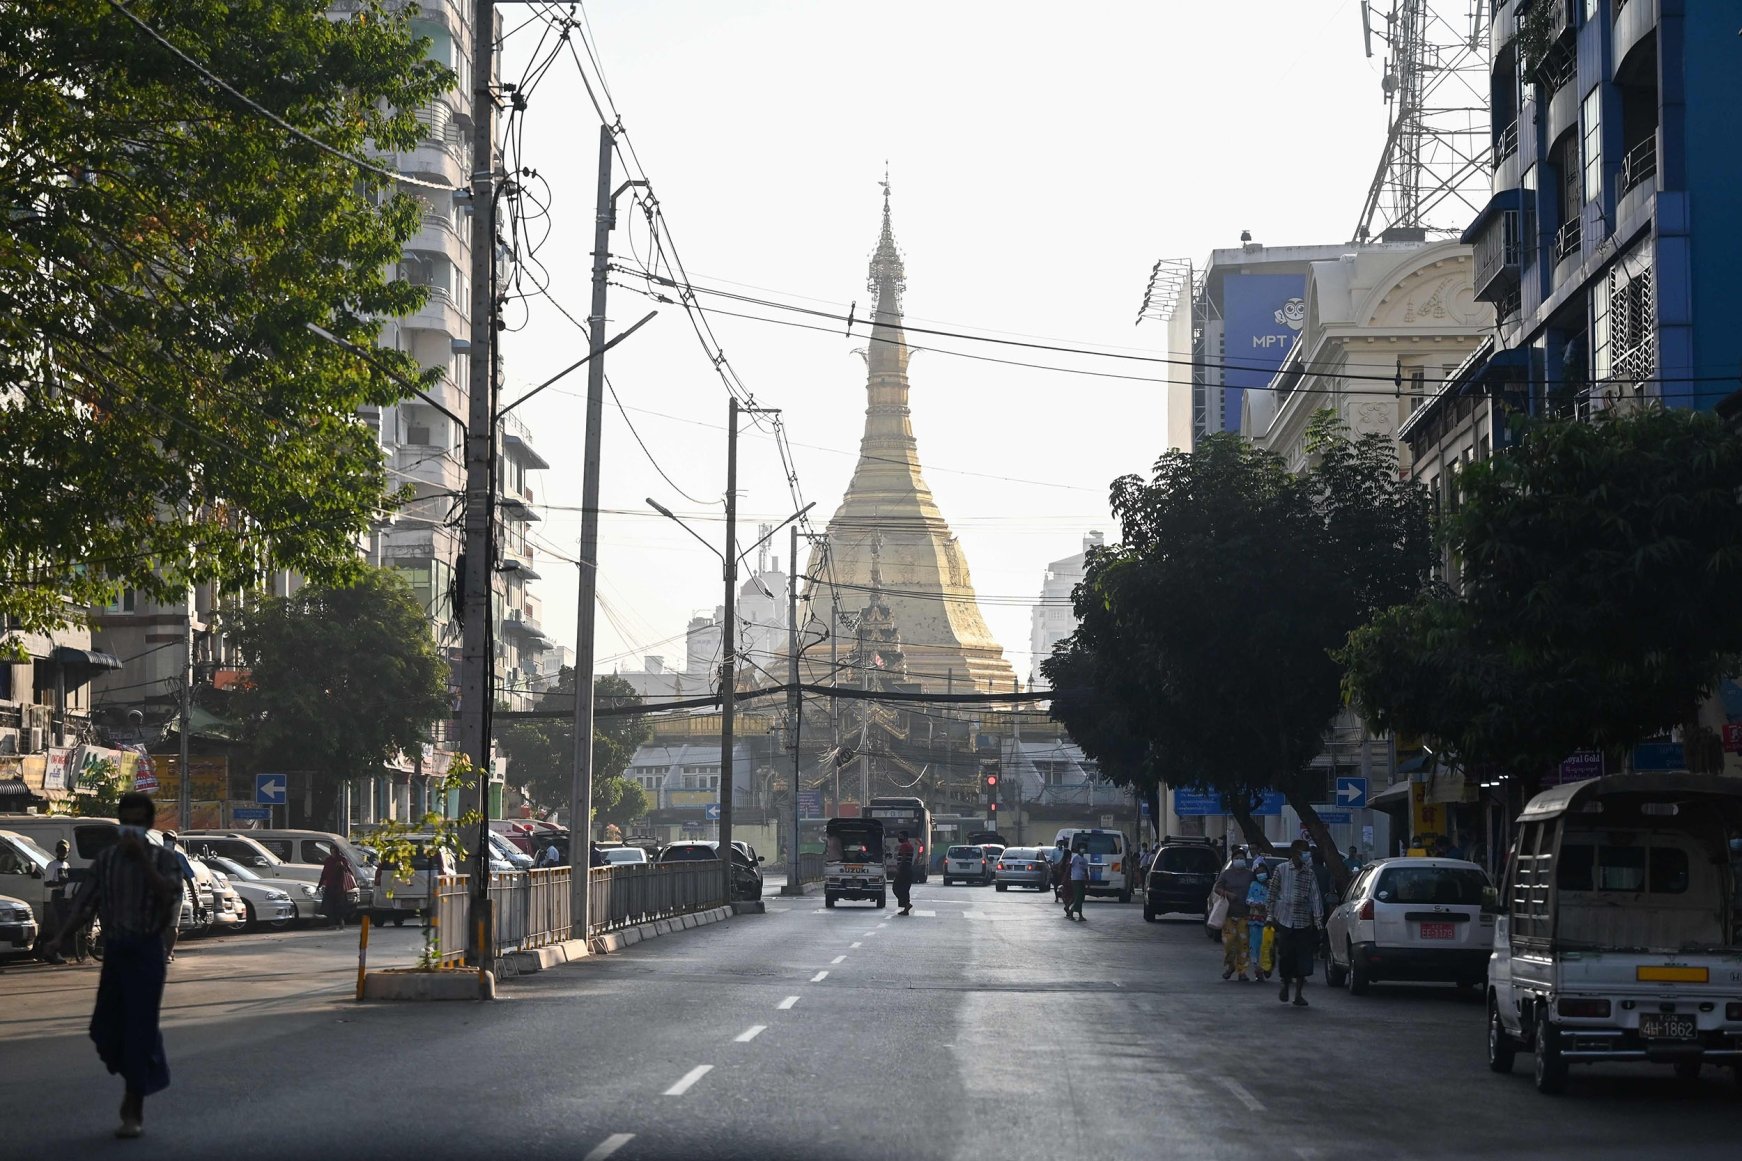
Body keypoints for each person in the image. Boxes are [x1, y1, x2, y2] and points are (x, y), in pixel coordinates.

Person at [55, 792, 182, 1138]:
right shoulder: (106, 860)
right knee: (105, 1028)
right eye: (127, 821)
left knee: (140, 1028)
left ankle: (134, 1103)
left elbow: (168, 896)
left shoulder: (162, 859)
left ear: (149, 824)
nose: (132, 828)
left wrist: (142, 860)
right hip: (115, 953)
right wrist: (61, 937)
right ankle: (136, 1078)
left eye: (139, 822)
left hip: (147, 952)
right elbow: (84, 903)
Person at [1267, 839, 1325, 1007]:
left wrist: (1318, 922)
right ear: (1294, 854)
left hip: (1303, 922)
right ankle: (1285, 984)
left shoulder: (1309, 873)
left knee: (1303, 960)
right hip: (1285, 920)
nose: (1306, 856)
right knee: (1286, 957)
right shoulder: (1281, 870)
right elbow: (1271, 895)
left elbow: (1315, 898)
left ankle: (1298, 994)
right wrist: (1269, 917)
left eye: (1307, 852)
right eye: (1302, 852)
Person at [1213, 850, 1254, 981]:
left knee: (1243, 944)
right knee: (1229, 943)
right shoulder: (1226, 874)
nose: (1239, 860)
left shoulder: (1250, 875)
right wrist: (1227, 894)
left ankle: (1242, 971)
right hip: (1229, 915)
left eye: (1241, 858)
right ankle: (1230, 966)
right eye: (1236, 858)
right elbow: (1217, 888)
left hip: (1245, 915)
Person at [160, 832, 201, 963]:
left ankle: (168, 952)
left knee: (172, 926)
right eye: (166, 839)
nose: (168, 841)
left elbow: (189, 878)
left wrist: (195, 898)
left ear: (175, 842)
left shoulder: (180, 857)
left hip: (175, 897)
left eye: (170, 839)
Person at [38, 839, 75, 964]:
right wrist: (60, 883)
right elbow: (47, 883)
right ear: (56, 851)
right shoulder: (52, 865)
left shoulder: (66, 866)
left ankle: (58, 951)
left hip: (65, 896)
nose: (62, 852)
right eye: (60, 850)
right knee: (57, 926)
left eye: (64, 850)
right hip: (56, 896)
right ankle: (52, 953)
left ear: (68, 851)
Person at [1246, 861, 1273, 982]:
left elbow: (1277, 899)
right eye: (1258, 873)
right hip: (1254, 920)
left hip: (1267, 921)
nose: (1260, 874)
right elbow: (1248, 899)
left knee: (1267, 945)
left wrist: (1266, 907)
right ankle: (1258, 969)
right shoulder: (1253, 885)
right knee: (1254, 945)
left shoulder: (1272, 885)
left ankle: (1266, 966)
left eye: (1263, 872)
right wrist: (1257, 905)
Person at [316, 847, 356, 929]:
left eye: (334, 852)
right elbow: (324, 873)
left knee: (340, 906)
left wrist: (342, 866)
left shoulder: (342, 859)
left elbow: (348, 871)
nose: (333, 853)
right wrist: (320, 884)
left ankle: (341, 920)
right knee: (329, 906)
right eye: (332, 851)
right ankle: (332, 924)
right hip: (330, 886)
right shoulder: (328, 860)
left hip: (339, 886)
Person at [891, 830, 915, 916]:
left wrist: (899, 868)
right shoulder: (910, 846)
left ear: (904, 837)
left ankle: (906, 904)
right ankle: (906, 908)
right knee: (905, 889)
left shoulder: (904, 845)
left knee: (896, 888)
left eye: (900, 836)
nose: (899, 838)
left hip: (903, 870)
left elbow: (904, 857)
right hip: (908, 869)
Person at [1064, 844, 1089, 920]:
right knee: (1078, 897)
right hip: (1075, 879)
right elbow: (1069, 867)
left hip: (1082, 879)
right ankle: (1071, 911)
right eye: (1082, 848)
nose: (1083, 850)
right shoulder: (1075, 858)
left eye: (1084, 848)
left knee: (1081, 898)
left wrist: (1087, 881)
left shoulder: (1085, 860)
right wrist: (1066, 877)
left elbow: (1086, 871)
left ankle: (1080, 915)